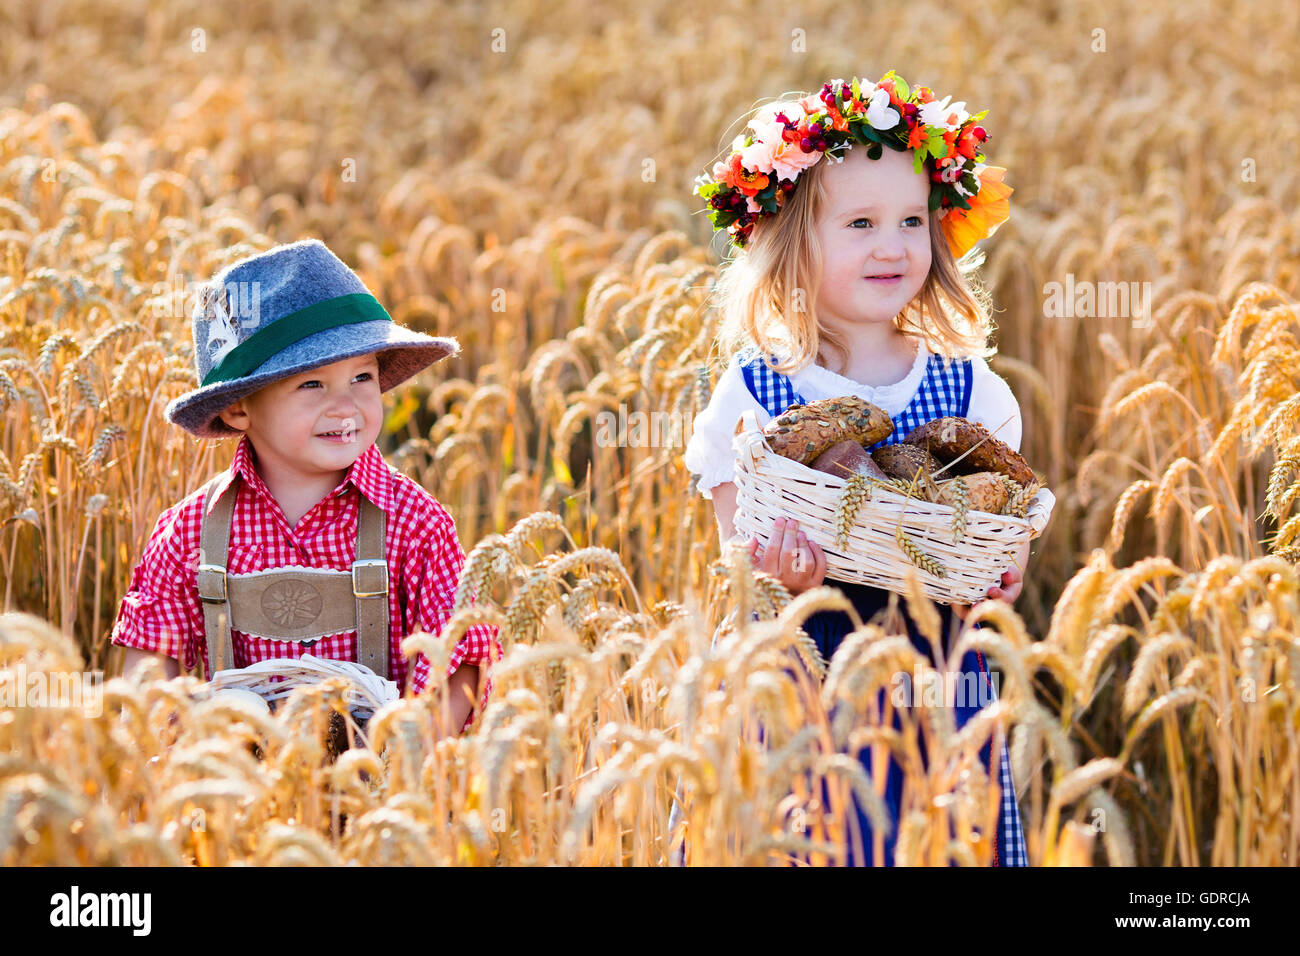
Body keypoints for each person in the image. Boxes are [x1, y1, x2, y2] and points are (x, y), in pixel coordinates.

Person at [685, 72, 1051, 865]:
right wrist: (779, 572)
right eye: (860, 222)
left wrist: (1003, 572)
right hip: (802, 673)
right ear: (790, 241)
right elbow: (736, 552)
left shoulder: (969, 389)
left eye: (912, 220)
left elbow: (1008, 533)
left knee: (938, 839)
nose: (893, 245)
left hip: (937, 676)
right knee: (802, 838)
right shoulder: (754, 394)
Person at [111, 238, 501, 737]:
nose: (346, 406)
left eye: (362, 377)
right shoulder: (191, 532)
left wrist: (408, 761)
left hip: (381, 792)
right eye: (312, 384)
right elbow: (149, 670)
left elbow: (462, 656)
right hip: (243, 796)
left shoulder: (415, 523)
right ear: (239, 409)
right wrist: (164, 754)